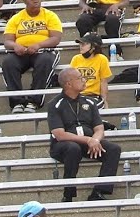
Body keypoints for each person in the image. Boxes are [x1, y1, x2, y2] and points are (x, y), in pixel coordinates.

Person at [46, 67, 121, 202]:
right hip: (62, 145)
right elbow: (59, 134)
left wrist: (95, 140)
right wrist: (88, 140)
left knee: (113, 149)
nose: (84, 80)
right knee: (72, 148)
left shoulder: (90, 103)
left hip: (88, 143)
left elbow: (99, 129)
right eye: (80, 78)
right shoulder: (55, 105)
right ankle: (68, 193)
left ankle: (99, 191)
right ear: (68, 84)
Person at [2, 0, 61, 114]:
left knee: (45, 61)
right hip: (21, 52)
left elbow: (56, 39)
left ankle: (34, 101)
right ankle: (17, 102)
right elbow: (7, 41)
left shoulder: (50, 15)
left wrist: (39, 45)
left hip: (44, 51)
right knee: (8, 62)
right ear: (24, 0)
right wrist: (15, 45)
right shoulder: (16, 18)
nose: (35, 0)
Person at [70, 33, 111, 107]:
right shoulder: (76, 59)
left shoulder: (102, 59)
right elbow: (71, 80)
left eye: (84, 44)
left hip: (93, 96)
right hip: (77, 95)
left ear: (94, 46)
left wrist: (104, 100)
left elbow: (103, 81)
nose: (81, 46)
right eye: (80, 44)